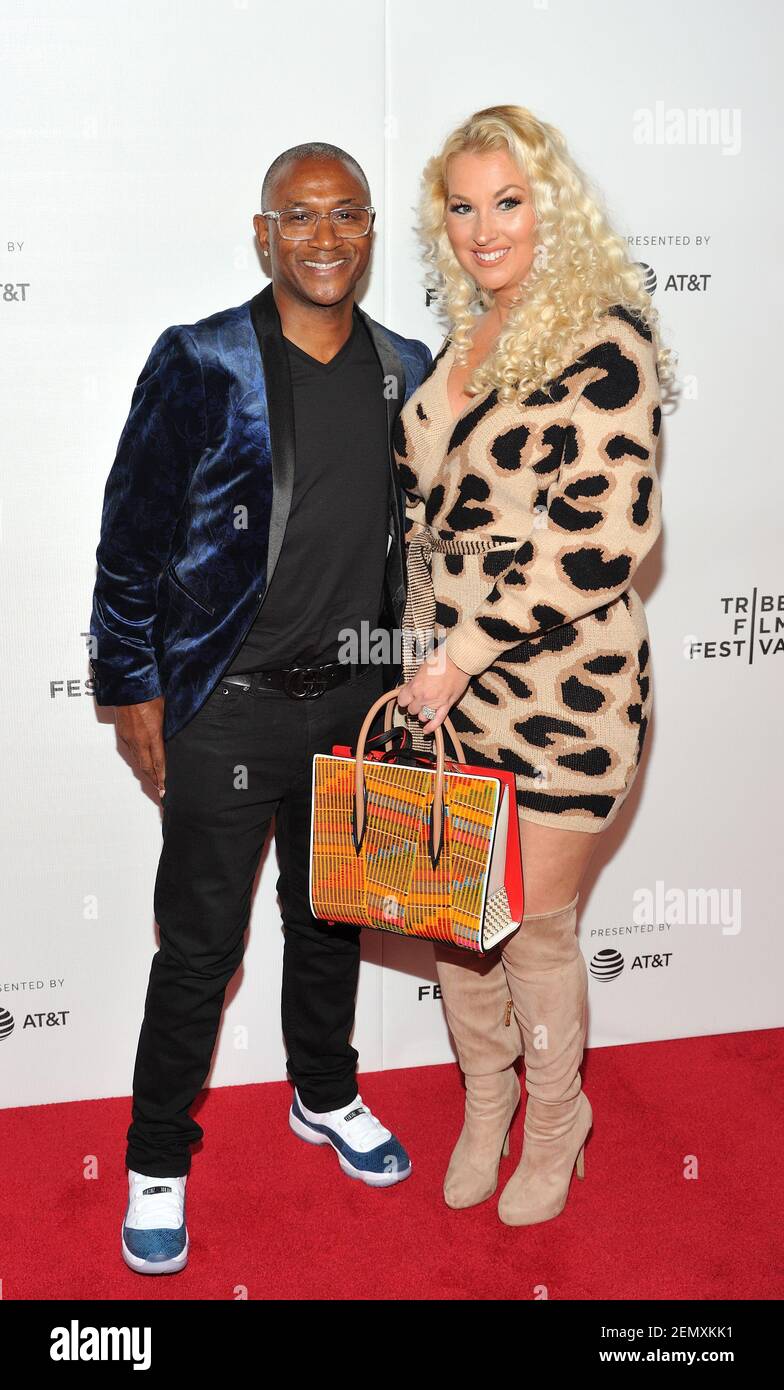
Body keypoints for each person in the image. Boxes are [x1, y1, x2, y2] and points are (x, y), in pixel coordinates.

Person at [89, 143, 432, 1274]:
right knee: (198, 946)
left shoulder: (405, 365)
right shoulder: (202, 362)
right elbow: (129, 544)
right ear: (263, 233)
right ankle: (154, 1157)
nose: (324, 237)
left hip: (352, 699)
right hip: (225, 705)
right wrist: (133, 686)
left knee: (330, 915)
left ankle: (322, 1093)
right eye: (301, 216)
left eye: (346, 215)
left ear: (370, 230)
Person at [393, 105, 674, 1225]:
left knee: (535, 928)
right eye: (461, 207)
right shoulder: (465, 341)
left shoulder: (603, 344)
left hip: (567, 694)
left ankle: (556, 1120)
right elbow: (424, 528)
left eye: (505, 200)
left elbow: (603, 541)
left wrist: (458, 654)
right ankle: (484, 1104)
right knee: (461, 919)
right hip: (445, 696)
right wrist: (419, 658)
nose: (482, 226)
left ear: (547, 205)